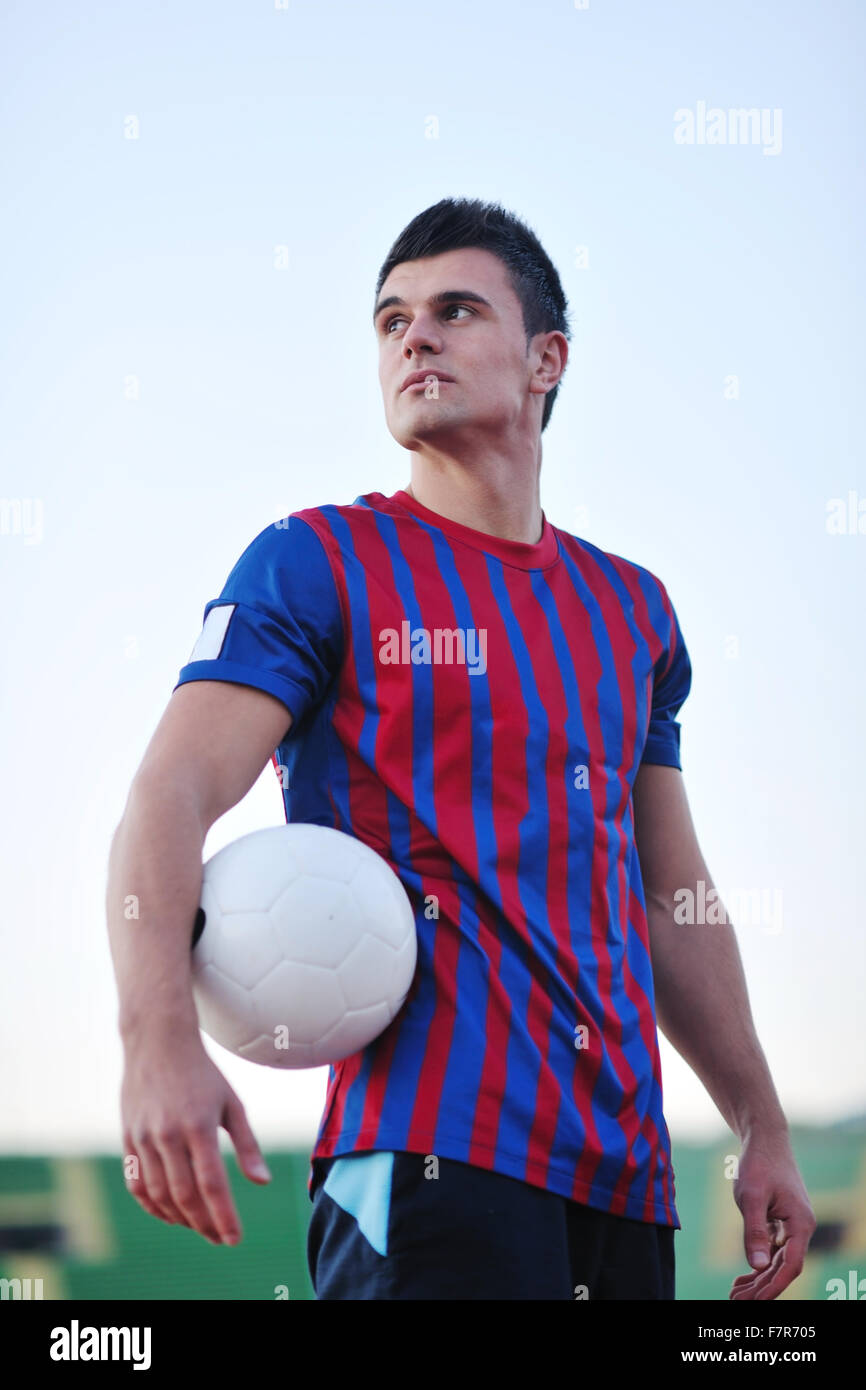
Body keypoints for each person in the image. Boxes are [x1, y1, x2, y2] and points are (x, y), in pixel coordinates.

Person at [107, 197, 815, 1301]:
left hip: (626, 1180)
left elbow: (669, 894)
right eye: (391, 321)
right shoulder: (316, 560)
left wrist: (758, 1123)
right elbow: (170, 792)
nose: (414, 339)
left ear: (546, 360)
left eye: (454, 311)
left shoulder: (632, 611)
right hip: (425, 1157)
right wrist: (156, 1039)